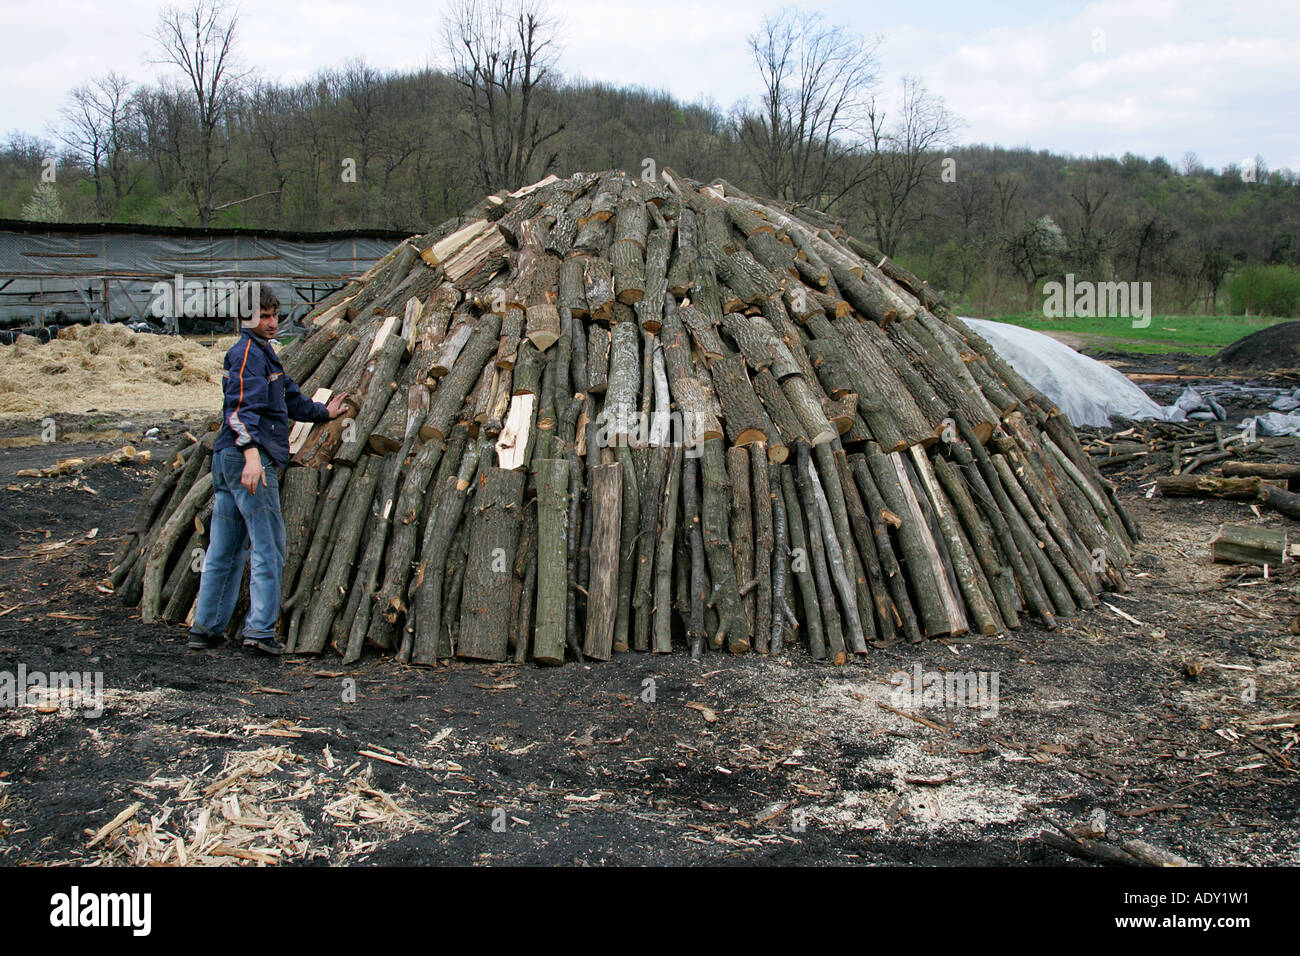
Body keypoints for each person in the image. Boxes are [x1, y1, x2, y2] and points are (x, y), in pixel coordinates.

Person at [187, 285, 348, 655]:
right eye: (263, 316)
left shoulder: (263, 354)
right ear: (245, 319)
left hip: (231, 460)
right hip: (246, 462)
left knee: (225, 548)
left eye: (275, 315)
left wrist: (324, 412)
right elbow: (239, 410)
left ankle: (206, 627)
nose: (272, 322)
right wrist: (253, 456)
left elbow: (288, 397)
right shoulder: (245, 354)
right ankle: (259, 630)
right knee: (268, 546)